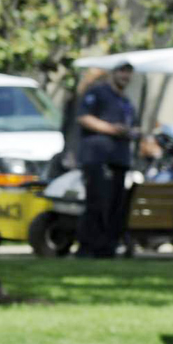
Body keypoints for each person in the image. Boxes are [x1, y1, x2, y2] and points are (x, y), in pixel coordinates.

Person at [73, 61, 137, 257]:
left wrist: (132, 131)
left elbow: (135, 126)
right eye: (121, 72)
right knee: (97, 201)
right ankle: (87, 247)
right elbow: (83, 118)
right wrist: (111, 129)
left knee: (115, 205)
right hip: (97, 156)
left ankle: (107, 248)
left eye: (128, 74)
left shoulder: (126, 102)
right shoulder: (98, 93)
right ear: (113, 73)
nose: (124, 77)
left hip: (120, 158)